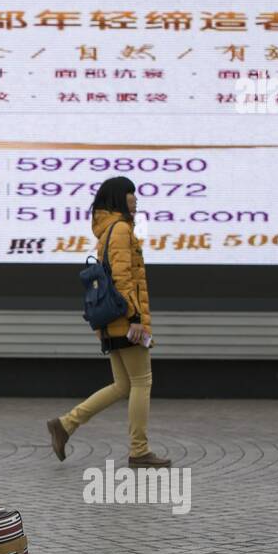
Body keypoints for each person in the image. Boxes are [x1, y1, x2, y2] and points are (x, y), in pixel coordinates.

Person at [48, 176, 170, 468]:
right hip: (126, 321)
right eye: (131, 194)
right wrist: (136, 318)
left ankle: (65, 425)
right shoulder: (120, 230)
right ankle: (139, 451)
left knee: (122, 385)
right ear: (119, 198)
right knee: (142, 382)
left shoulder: (108, 231)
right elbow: (122, 278)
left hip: (113, 321)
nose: (136, 199)